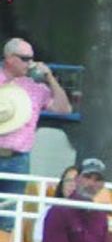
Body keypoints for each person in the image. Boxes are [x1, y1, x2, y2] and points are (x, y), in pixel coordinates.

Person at [0, 35, 73, 213]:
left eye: (32, 58)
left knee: (10, 213)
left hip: (19, 158)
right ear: (9, 59)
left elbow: (64, 109)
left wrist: (50, 78)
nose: (30, 63)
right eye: (25, 59)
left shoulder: (34, 87)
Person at [39, 157, 112, 242]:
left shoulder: (101, 216)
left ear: (102, 185)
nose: (92, 183)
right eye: (88, 177)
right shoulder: (58, 211)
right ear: (77, 179)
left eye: (98, 180)